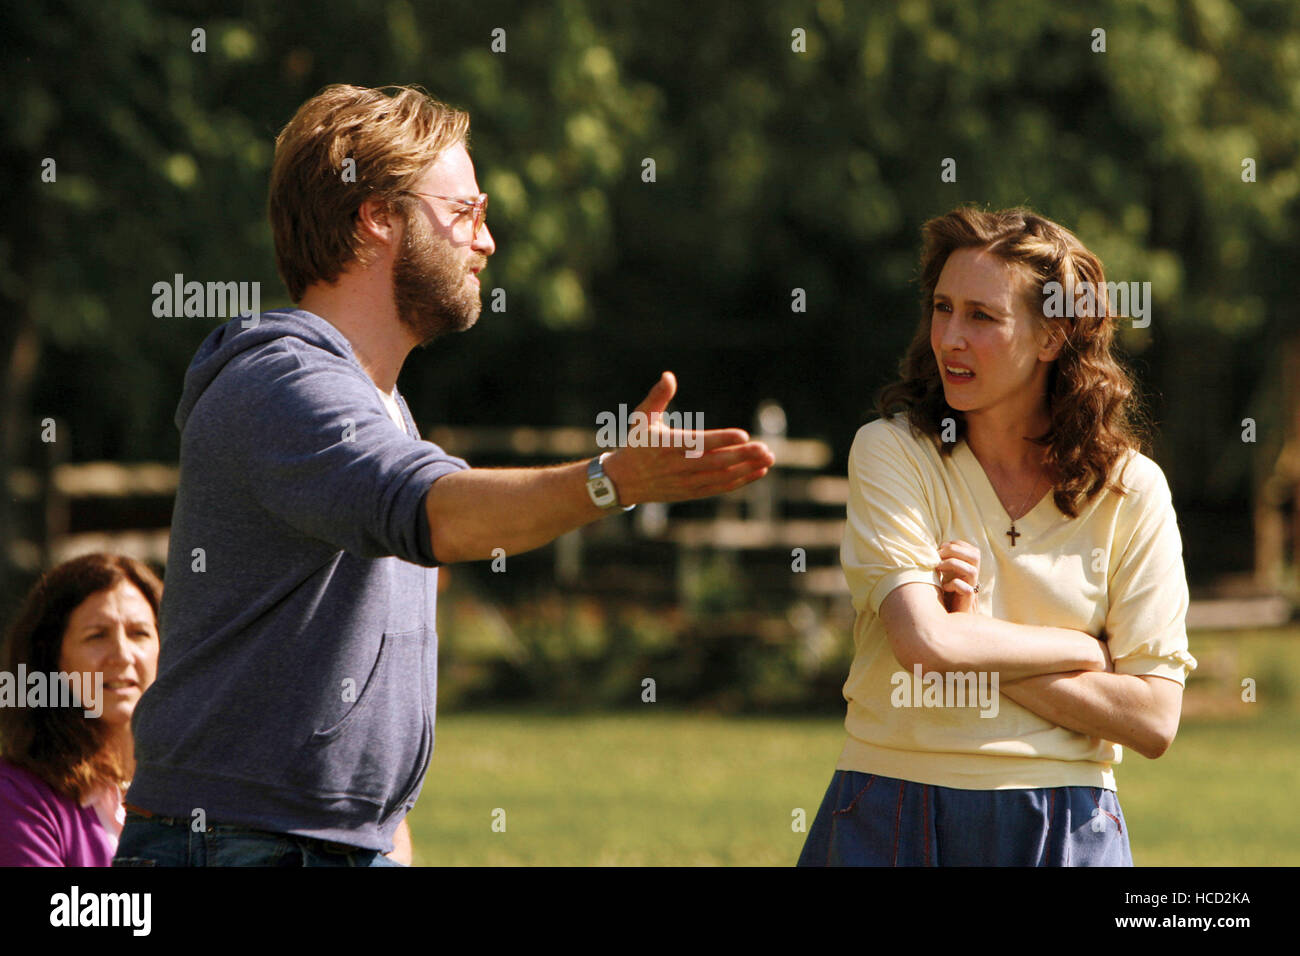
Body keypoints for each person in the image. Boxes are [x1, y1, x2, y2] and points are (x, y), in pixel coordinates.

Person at [114, 84, 774, 867]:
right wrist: (612, 481)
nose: (487, 240)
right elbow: (442, 515)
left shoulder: (380, 405)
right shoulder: (281, 383)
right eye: (465, 210)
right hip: (237, 846)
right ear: (378, 216)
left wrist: (390, 838)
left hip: (324, 842)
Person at [797, 206, 1196, 866]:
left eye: (981, 316)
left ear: (1050, 337)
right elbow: (924, 642)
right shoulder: (892, 452)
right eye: (943, 308)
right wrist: (1081, 650)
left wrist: (973, 636)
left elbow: (1153, 719)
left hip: (1069, 820)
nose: (949, 337)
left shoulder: (1134, 489)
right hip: (891, 805)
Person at [0, 553, 162, 866]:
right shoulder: (16, 797)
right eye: (97, 636)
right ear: (51, 661)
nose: (122, 655)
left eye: (139, 633)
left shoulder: (197, 788)